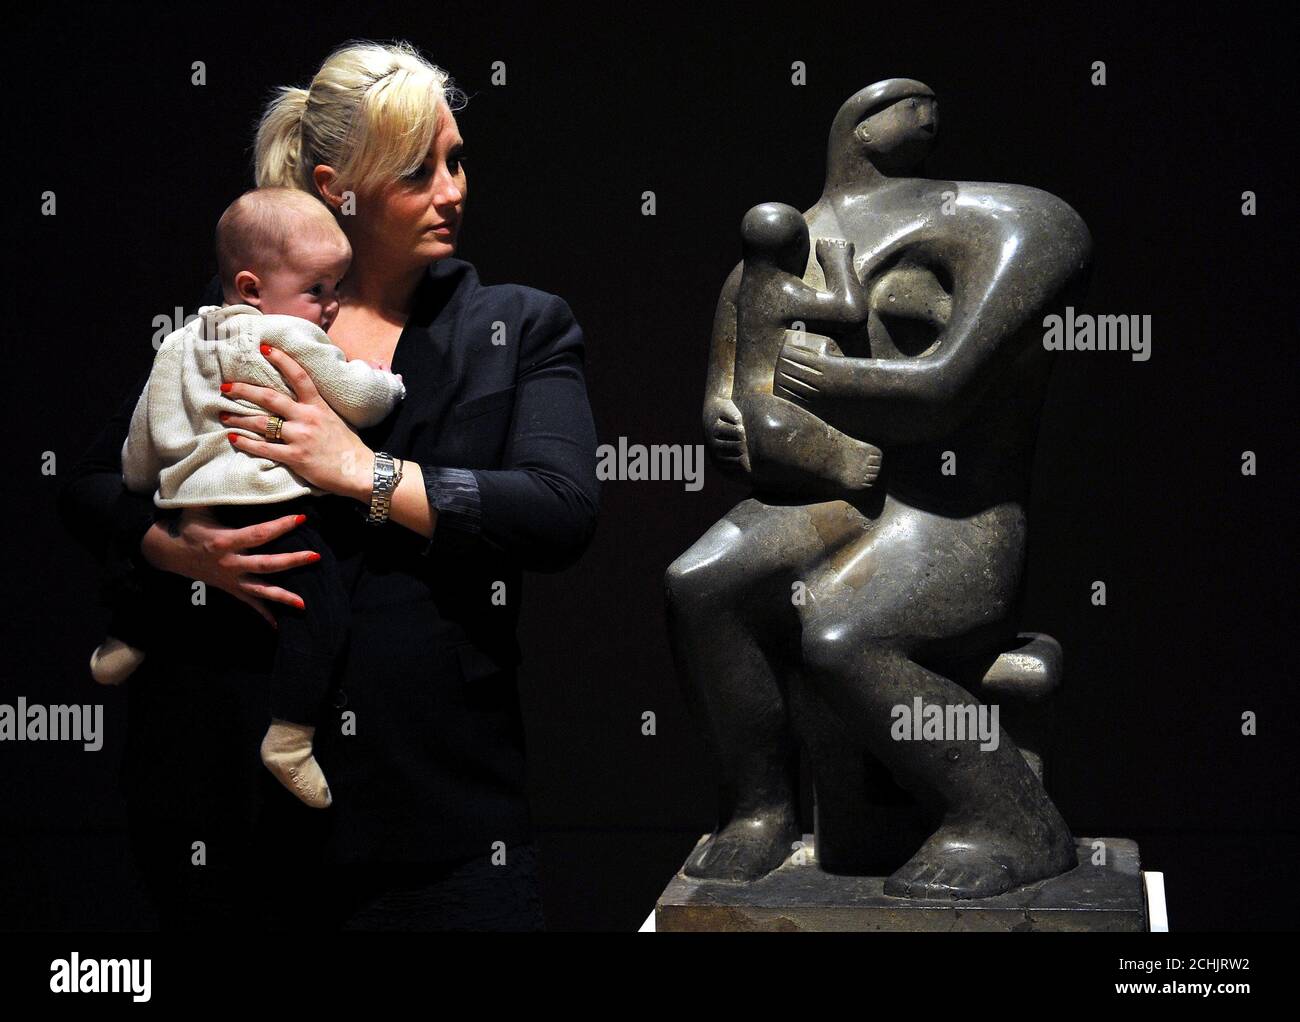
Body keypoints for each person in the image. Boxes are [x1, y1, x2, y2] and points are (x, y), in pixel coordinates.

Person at [58, 39, 599, 930]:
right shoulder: (243, 319)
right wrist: (179, 548)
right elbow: (85, 485)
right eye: (417, 172)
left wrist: (367, 475)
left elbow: (560, 510)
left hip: (435, 809)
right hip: (220, 799)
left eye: (456, 160)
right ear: (336, 185)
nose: (453, 190)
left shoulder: (514, 326)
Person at [668, 79, 1089, 896]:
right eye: (908, 103)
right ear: (854, 127)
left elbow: (944, 388)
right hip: (834, 494)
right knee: (700, 586)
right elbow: (736, 382)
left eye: (933, 102)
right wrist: (730, 419)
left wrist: (826, 379)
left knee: (844, 634)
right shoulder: (783, 247)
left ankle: (1010, 815)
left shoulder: (1002, 220)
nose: (929, 114)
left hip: (953, 509)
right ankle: (759, 811)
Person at [94, 187, 407, 813]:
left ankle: (126, 638)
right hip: (272, 505)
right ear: (253, 286)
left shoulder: (182, 342)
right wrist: (388, 383)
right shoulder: (288, 337)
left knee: (159, 571)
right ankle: (290, 738)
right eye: (318, 288)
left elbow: (140, 437)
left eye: (336, 286)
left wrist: (145, 488)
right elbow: (357, 397)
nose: (331, 304)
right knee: (320, 614)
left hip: (190, 504)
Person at [731, 202, 881, 495]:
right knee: (776, 426)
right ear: (799, 246)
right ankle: (840, 459)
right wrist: (836, 261)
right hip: (769, 412)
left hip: (748, 408)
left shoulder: (746, 288)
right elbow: (850, 311)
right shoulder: (781, 289)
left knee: (771, 426)